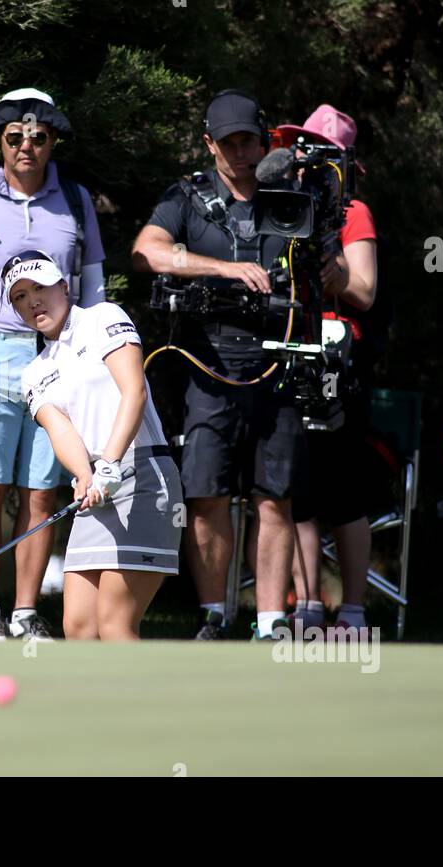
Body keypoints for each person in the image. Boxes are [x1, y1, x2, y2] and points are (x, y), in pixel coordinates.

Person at [0, 88, 106, 641]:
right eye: (15, 137)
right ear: (0, 142)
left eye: (38, 137)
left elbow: (92, 282)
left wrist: (88, 348)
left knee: (42, 492)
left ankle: (26, 611)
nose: (26, 146)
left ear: (52, 140)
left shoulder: (77, 201)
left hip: (56, 356)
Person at [132, 89, 299, 640]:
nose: (241, 152)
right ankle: (214, 614)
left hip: (281, 362)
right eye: (228, 143)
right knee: (206, 496)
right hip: (209, 366)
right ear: (210, 144)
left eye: (249, 140)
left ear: (264, 139)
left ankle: (272, 621)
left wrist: (320, 264)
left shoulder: (291, 197)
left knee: (274, 496)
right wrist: (226, 270)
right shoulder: (188, 197)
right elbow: (147, 252)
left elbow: (341, 276)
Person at [8, 251, 182, 639]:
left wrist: (109, 464)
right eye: (19, 296)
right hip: (97, 489)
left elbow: (133, 392)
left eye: (39, 287)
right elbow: (61, 431)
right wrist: (85, 475)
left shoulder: (104, 317)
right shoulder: (34, 371)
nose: (32, 300)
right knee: (79, 627)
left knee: (115, 623)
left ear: (64, 286)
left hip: (144, 477)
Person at [279, 105, 380, 635]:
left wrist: (330, 262)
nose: (309, 165)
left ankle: (356, 610)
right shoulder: (280, 207)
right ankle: (308, 605)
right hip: (288, 350)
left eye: (323, 156)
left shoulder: (353, 212)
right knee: (296, 489)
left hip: (339, 359)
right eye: (304, 152)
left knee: (343, 490)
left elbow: (363, 290)